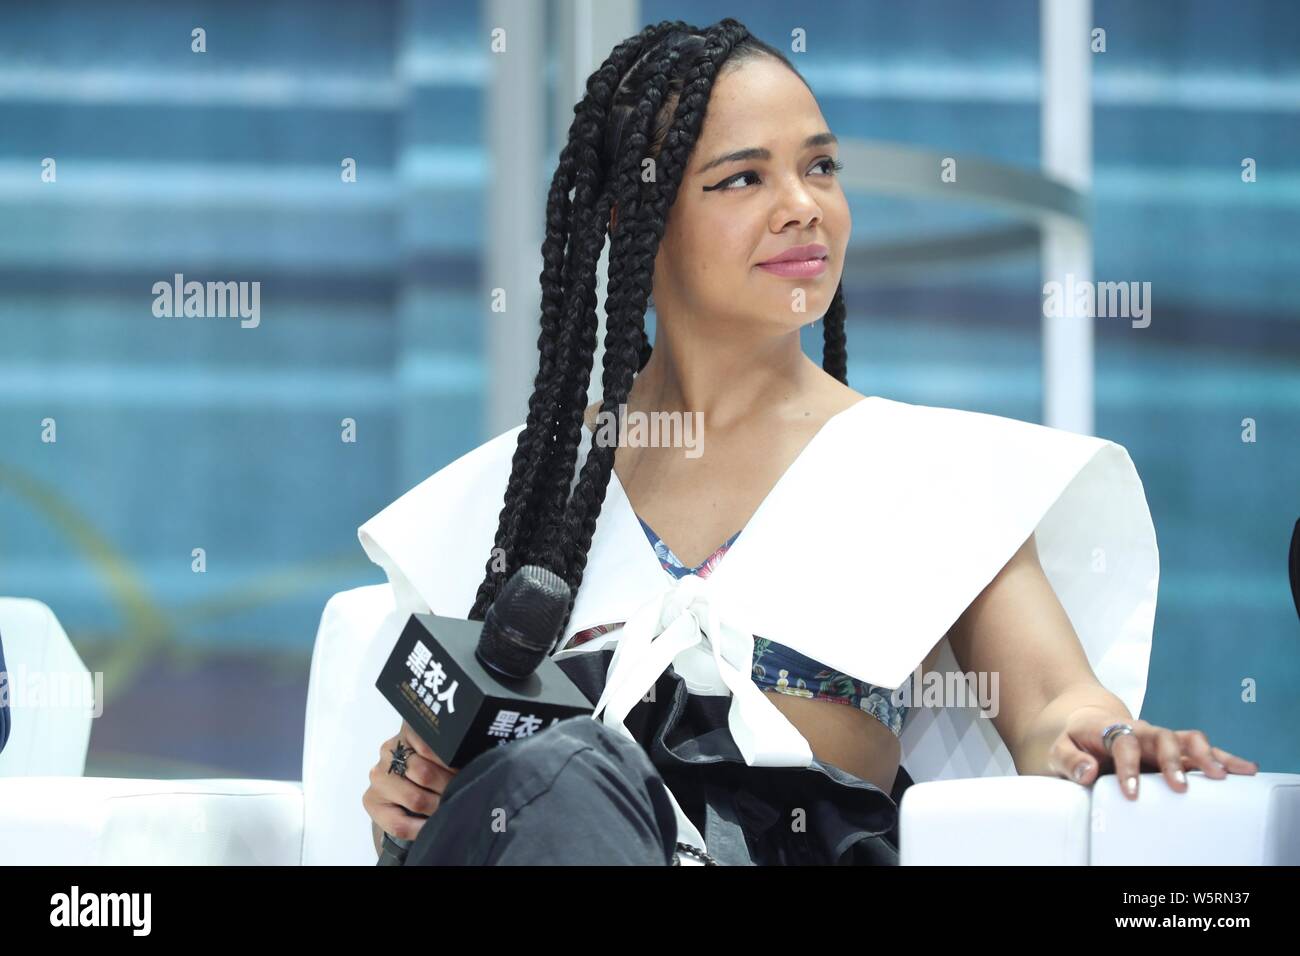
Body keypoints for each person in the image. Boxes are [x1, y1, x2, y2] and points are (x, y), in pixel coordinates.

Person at [359, 18, 1258, 866]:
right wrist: (407, 793)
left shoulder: (934, 471)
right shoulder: (529, 488)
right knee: (562, 773)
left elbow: (1054, 705)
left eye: (820, 167)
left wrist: (1108, 736)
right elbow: (442, 798)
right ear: (630, 222)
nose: (802, 207)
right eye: (743, 179)